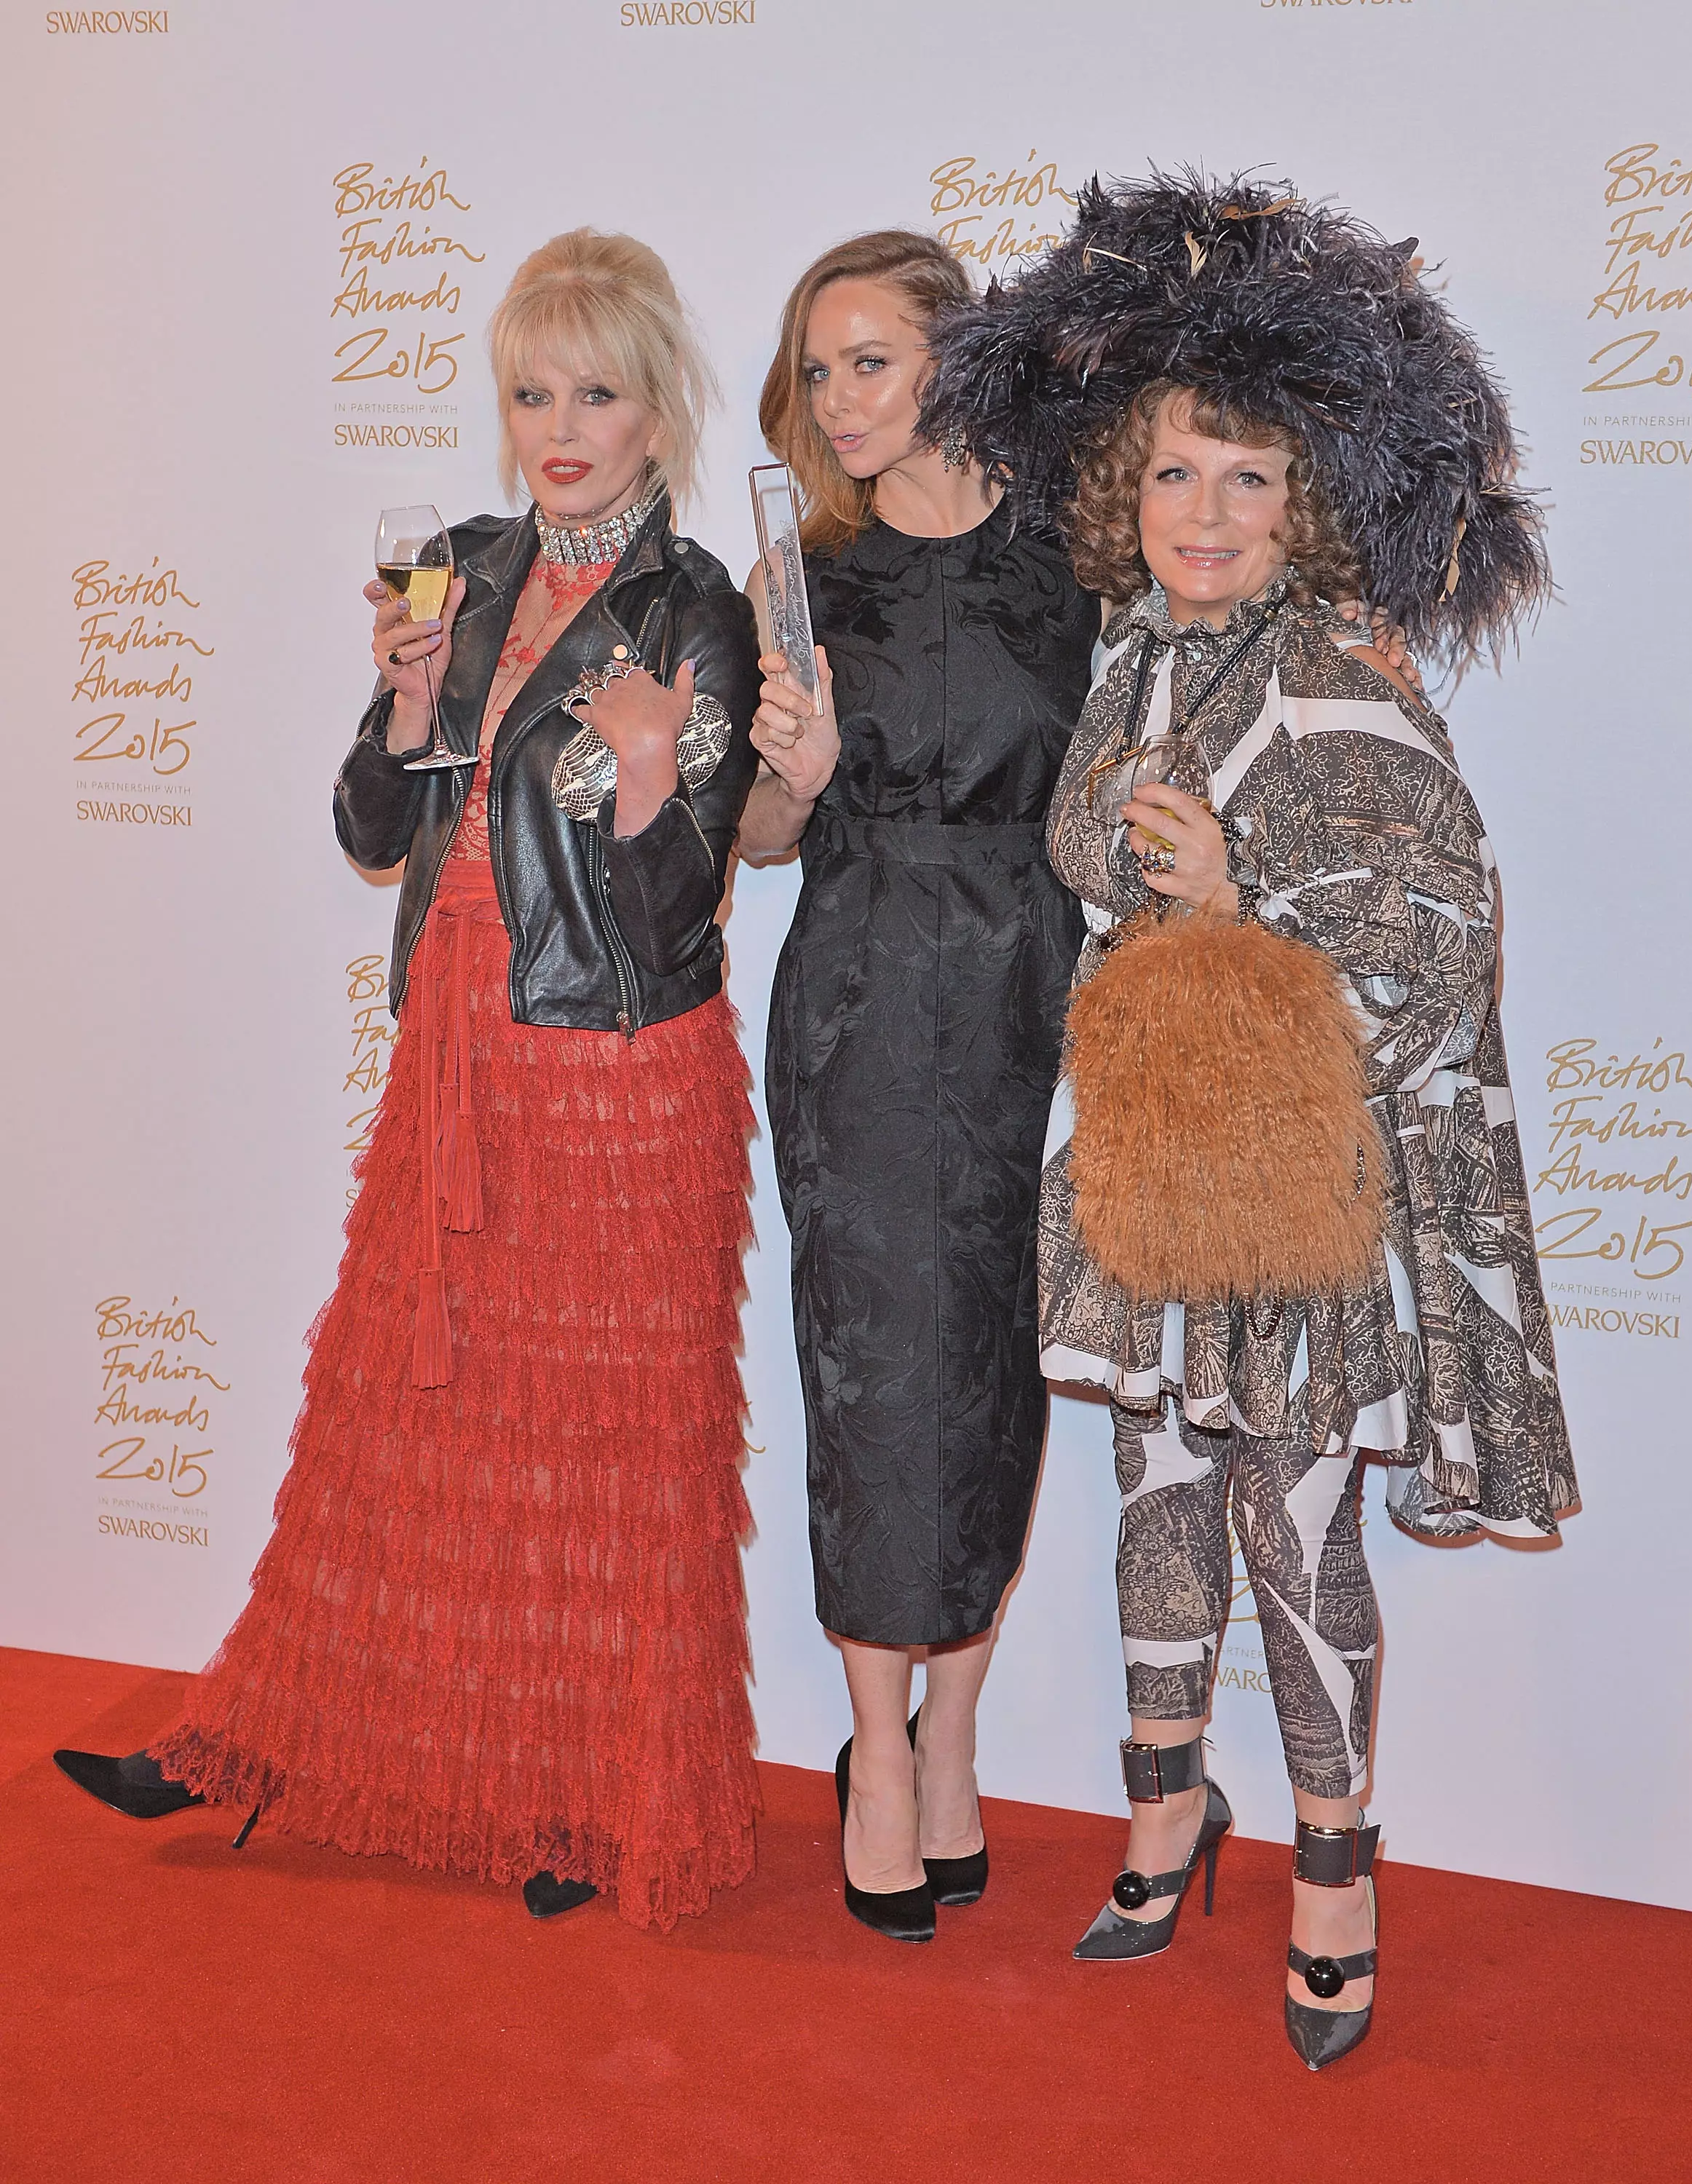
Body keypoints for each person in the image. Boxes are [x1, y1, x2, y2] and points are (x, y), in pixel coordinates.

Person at [924, 174, 1576, 2063]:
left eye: (1248, 485)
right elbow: (1077, 862)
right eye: (1176, 478)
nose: (1203, 517)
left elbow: (1445, 954)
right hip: (1144, 1165)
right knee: (1153, 1501)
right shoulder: (1126, 658)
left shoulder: (1345, 692)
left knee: (1299, 1545)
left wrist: (1243, 901)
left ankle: (1337, 1870)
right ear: (1124, 486)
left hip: (1295, 1205)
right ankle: (1159, 1813)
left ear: (1306, 515)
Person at [54, 230, 764, 1933]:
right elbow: (374, 833)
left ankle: (580, 1806)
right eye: (533, 391)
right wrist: (397, 714)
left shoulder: (695, 610)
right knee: (398, 1426)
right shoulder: (454, 566)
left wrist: (662, 779)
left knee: (595, 1454)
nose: (561, 424)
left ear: (658, 410)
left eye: (596, 391)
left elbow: (676, 915)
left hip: (610, 1076)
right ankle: (254, 1736)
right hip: (451, 1061)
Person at [735, 231, 1101, 1942]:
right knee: (874, 1368)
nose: (837, 400)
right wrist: (791, 780)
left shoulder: (1075, 566)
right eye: (817, 371)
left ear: (957, 363)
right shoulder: (800, 579)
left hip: (1034, 1004)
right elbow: (751, 840)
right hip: (861, 1001)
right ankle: (873, 1750)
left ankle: (954, 1724)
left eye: (866, 360)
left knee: (992, 1367)